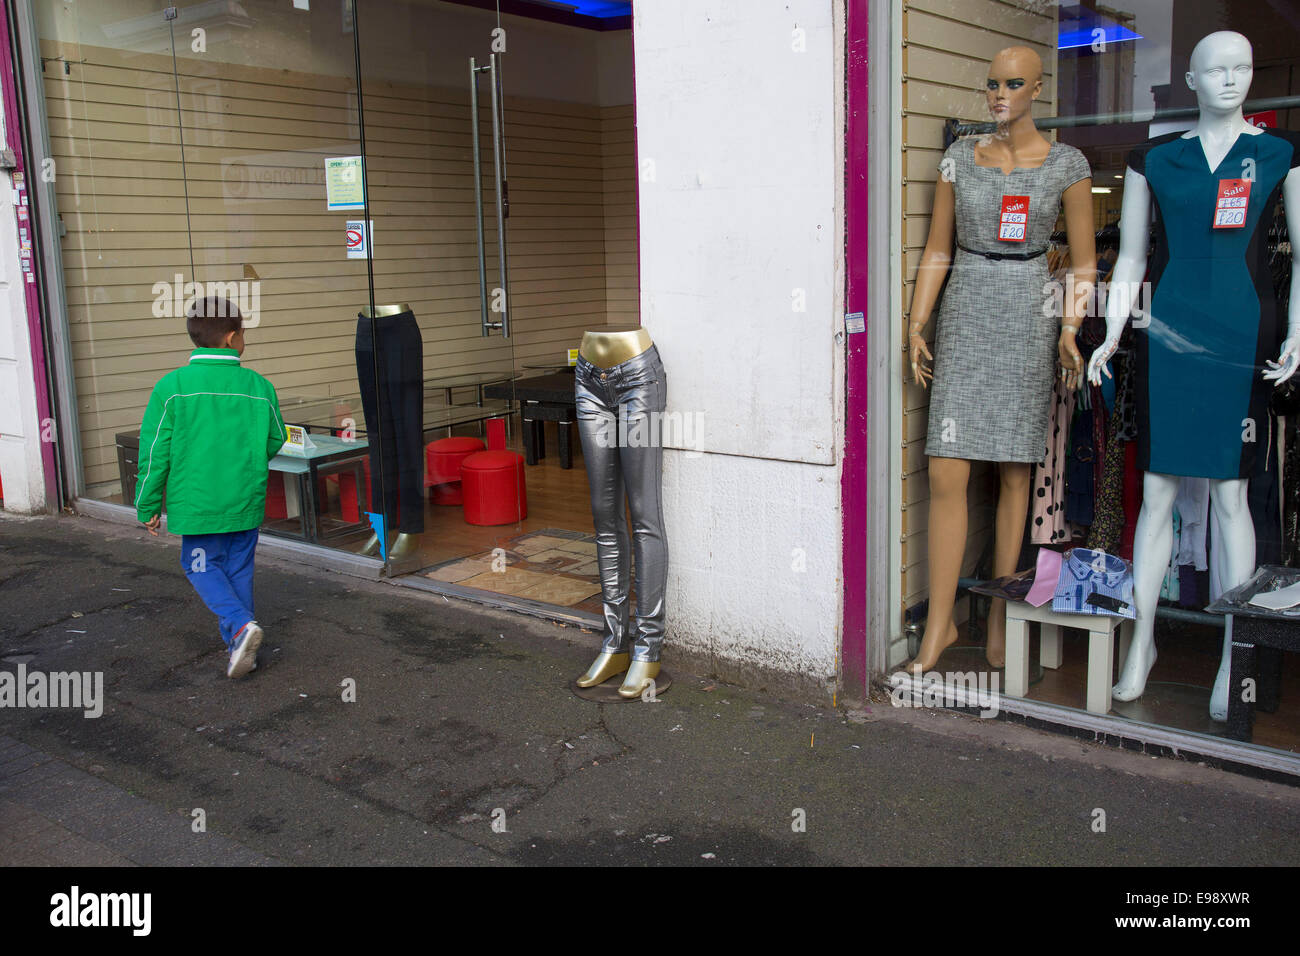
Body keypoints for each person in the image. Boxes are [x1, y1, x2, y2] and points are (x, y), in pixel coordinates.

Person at [906, 45, 1096, 673]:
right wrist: (917, 319)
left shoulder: (1067, 163)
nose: (999, 95)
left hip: (1027, 312)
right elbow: (937, 247)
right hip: (965, 307)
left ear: (1037, 89)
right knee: (946, 471)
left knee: (1015, 472)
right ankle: (940, 625)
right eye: (992, 83)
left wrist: (1071, 326)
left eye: (1013, 84)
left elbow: (1087, 261)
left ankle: (1001, 620)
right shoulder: (961, 157)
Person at [135, 296, 287, 678]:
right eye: (244, 334)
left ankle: (239, 627)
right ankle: (239, 641)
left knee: (198, 565)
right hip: (245, 500)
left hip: (198, 504)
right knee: (238, 569)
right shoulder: (258, 386)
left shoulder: (172, 387)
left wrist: (146, 505)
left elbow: (154, 454)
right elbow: (277, 437)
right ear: (233, 337)